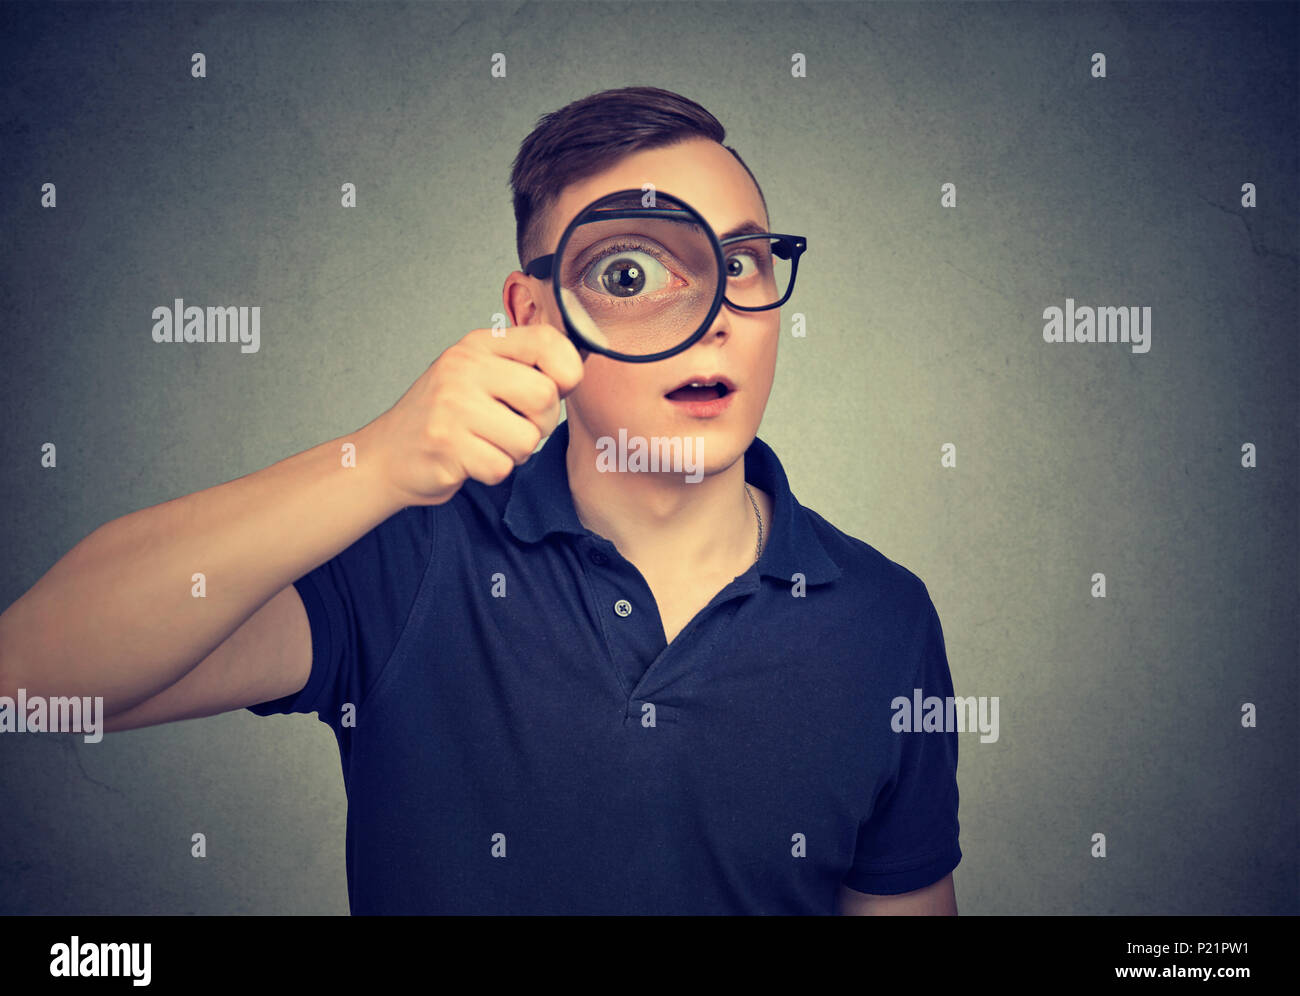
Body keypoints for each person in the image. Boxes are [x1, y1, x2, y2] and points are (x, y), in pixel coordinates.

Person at [0, 86, 960, 915]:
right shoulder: (409, 560)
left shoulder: (883, 619)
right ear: (535, 315)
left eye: (741, 263)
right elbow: (28, 683)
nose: (712, 325)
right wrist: (373, 462)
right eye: (632, 274)